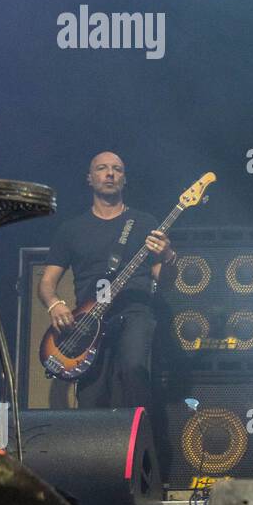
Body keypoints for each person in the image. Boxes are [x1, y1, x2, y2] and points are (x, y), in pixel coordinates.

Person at [39, 151, 174, 409]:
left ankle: (139, 440)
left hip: (134, 312)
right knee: (91, 394)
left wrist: (168, 256)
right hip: (89, 320)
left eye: (117, 169)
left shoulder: (144, 222)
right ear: (90, 178)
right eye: (102, 168)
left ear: (125, 179)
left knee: (133, 369)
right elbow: (46, 282)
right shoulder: (71, 229)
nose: (110, 173)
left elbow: (165, 282)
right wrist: (55, 305)